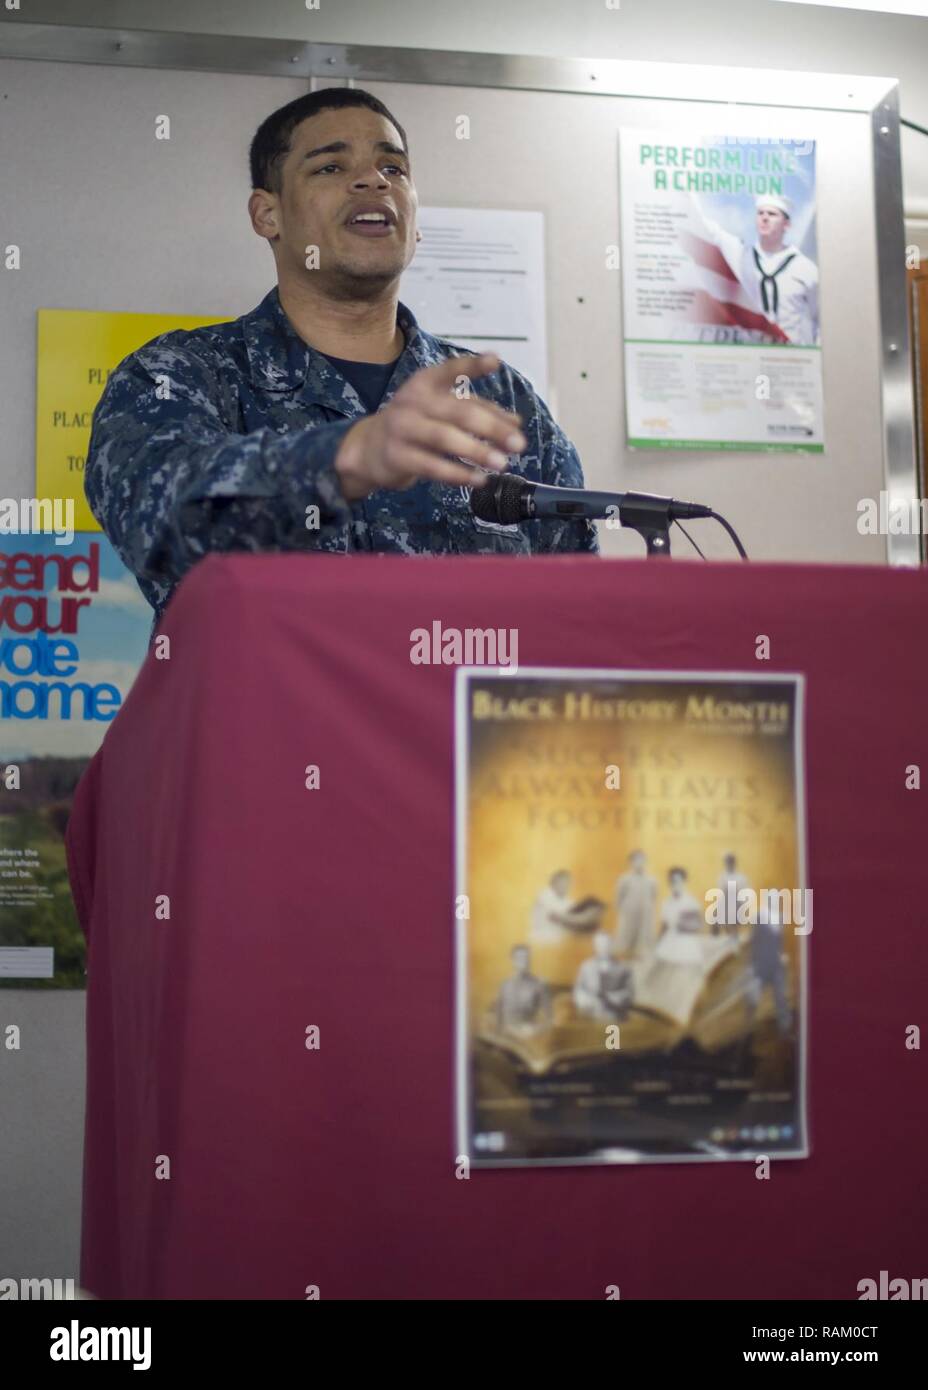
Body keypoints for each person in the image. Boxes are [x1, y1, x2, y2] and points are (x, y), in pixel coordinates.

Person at [84, 88, 597, 639]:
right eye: (331, 165)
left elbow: (574, 612)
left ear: (416, 220)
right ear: (267, 214)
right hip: (262, 725)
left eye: (393, 168)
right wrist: (346, 458)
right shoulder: (180, 374)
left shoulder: (500, 398)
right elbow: (153, 520)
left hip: (460, 726)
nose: (373, 181)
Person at [691, 193, 819, 346]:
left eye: (772, 214)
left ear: (786, 224)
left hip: (790, 355)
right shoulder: (740, 254)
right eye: (760, 213)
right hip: (752, 352)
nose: (764, 218)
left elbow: (821, 319)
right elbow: (710, 230)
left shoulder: (805, 268)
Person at [746, 890, 792, 1037]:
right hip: (761, 964)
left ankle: (784, 1030)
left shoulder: (780, 918)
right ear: (767, 900)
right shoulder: (759, 917)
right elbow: (754, 942)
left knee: (780, 996)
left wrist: (782, 955)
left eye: (776, 899)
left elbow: (780, 942)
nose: (774, 901)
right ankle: (747, 1028)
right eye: (771, 899)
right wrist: (753, 965)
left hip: (776, 964)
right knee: (754, 997)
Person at [530, 870, 603, 946]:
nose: (565, 885)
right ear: (553, 882)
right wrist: (585, 917)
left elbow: (576, 917)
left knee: (591, 904)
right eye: (562, 882)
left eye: (568, 883)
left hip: (562, 942)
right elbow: (557, 917)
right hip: (543, 941)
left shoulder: (567, 900)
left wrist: (591, 915)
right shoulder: (545, 895)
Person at [573, 932, 634, 1021]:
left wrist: (613, 998)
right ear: (595, 946)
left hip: (615, 1016)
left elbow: (629, 993)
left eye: (607, 945)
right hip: (590, 1015)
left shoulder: (623, 968)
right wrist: (587, 1000)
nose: (604, 948)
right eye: (600, 945)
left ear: (612, 946)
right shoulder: (586, 966)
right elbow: (578, 989)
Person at [495, 945, 552, 1036]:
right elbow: (498, 1015)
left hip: (526, 1035)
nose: (525, 961)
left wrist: (535, 1030)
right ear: (513, 961)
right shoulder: (505, 985)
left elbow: (549, 1019)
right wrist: (501, 1031)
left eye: (527, 958)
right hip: (506, 1036)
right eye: (520, 958)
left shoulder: (539, 985)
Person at [655, 867, 704, 966]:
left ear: (684, 882)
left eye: (678, 881)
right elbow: (664, 925)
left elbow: (697, 925)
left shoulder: (691, 902)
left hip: (686, 943)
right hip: (669, 942)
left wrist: (683, 925)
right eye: (672, 881)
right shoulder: (666, 902)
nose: (675, 884)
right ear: (669, 883)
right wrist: (658, 942)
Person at [614, 849, 657, 956]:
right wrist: (624, 912)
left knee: (643, 941)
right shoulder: (624, 879)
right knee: (627, 940)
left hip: (645, 915)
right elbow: (618, 899)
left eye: (642, 860)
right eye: (636, 860)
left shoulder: (651, 880)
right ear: (631, 862)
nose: (639, 863)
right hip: (629, 914)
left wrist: (648, 909)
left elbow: (653, 897)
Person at [714, 851, 751, 940]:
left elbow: (745, 893)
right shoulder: (722, 877)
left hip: (738, 904)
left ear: (734, 863)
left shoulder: (741, 877)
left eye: (730, 862)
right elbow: (720, 893)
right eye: (727, 862)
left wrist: (743, 906)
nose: (728, 865)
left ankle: (734, 936)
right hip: (725, 904)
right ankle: (728, 936)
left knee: (734, 924)